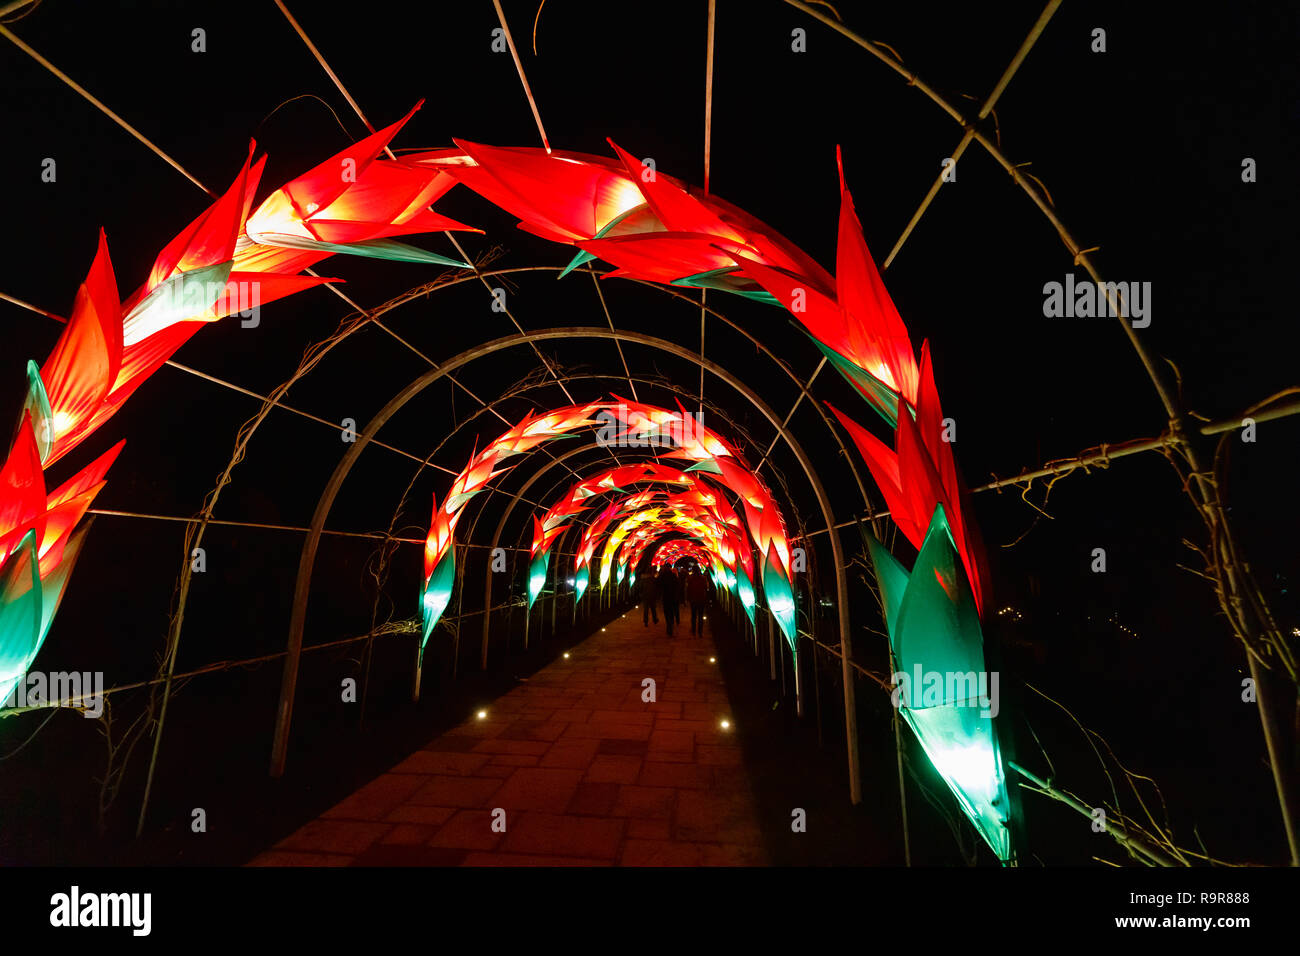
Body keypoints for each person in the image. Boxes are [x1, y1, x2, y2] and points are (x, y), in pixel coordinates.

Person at [686, 565, 711, 636]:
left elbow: (688, 589)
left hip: (693, 599)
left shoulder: (690, 578)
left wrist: (688, 598)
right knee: (700, 616)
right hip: (701, 599)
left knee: (693, 615)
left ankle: (693, 631)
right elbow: (706, 588)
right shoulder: (703, 578)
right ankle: (700, 632)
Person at [657, 563, 680, 635]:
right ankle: (671, 624)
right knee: (671, 611)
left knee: (667, 611)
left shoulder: (662, 575)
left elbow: (658, 585)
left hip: (666, 596)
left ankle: (669, 625)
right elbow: (677, 585)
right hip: (672, 596)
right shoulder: (673, 575)